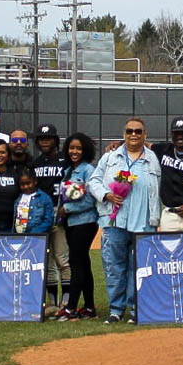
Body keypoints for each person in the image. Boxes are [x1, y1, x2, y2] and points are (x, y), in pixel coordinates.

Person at [90, 118, 161, 323]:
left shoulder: (153, 159)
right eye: (130, 131)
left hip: (144, 222)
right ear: (124, 133)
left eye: (138, 131)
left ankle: (134, 308)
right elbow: (93, 180)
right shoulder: (111, 157)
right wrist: (106, 195)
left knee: (138, 267)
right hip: (115, 222)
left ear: (145, 135)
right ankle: (115, 310)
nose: (134, 135)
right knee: (114, 267)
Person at [59, 133, 100, 319]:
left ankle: (71, 308)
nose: (74, 151)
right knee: (83, 263)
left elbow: (91, 200)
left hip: (85, 222)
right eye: (71, 148)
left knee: (76, 263)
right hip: (72, 224)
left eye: (79, 148)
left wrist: (67, 208)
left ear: (85, 151)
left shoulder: (88, 170)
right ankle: (89, 307)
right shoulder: (69, 170)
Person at [31, 123, 70, 312]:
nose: (45, 141)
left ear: (55, 140)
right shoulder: (36, 163)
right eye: (41, 139)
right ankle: (52, 302)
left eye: (48, 138)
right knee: (48, 261)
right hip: (42, 214)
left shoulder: (65, 160)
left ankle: (67, 300)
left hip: (61, 212)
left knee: (62, 257)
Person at [153, 117, 183, 232]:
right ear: (171, 134)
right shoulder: (164, 149)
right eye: (176, 133)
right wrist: (119, 143)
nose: (180, 136)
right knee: (168, 248)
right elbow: (143, 145)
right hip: (169, 215)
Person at [13, 167, 56, 236]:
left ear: (35, 181)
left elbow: (48, 221)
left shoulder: (44, 198)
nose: (26, 186)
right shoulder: (18, 198)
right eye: (22, 184)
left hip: (37, 237)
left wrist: (34, 233)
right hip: (19, 236)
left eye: (28, 183)